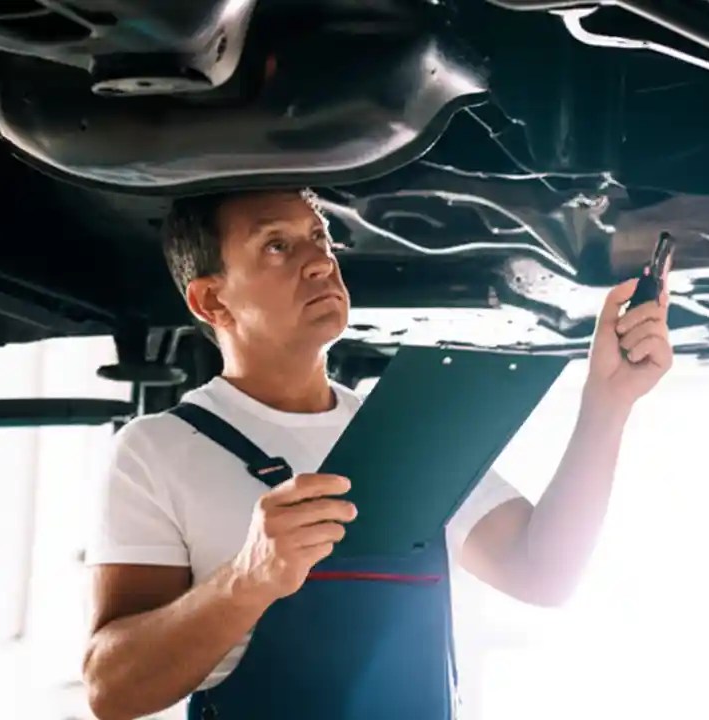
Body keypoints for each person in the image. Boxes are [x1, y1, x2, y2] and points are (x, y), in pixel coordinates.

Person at [81, 188, 674, 720]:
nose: (319, 261)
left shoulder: (406, 428)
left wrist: (608, 401)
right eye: (276, 247)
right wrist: (249, 579)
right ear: (211, 300)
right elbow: (112, 690)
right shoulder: (157, 449)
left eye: (319, 237)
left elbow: (542, 572)